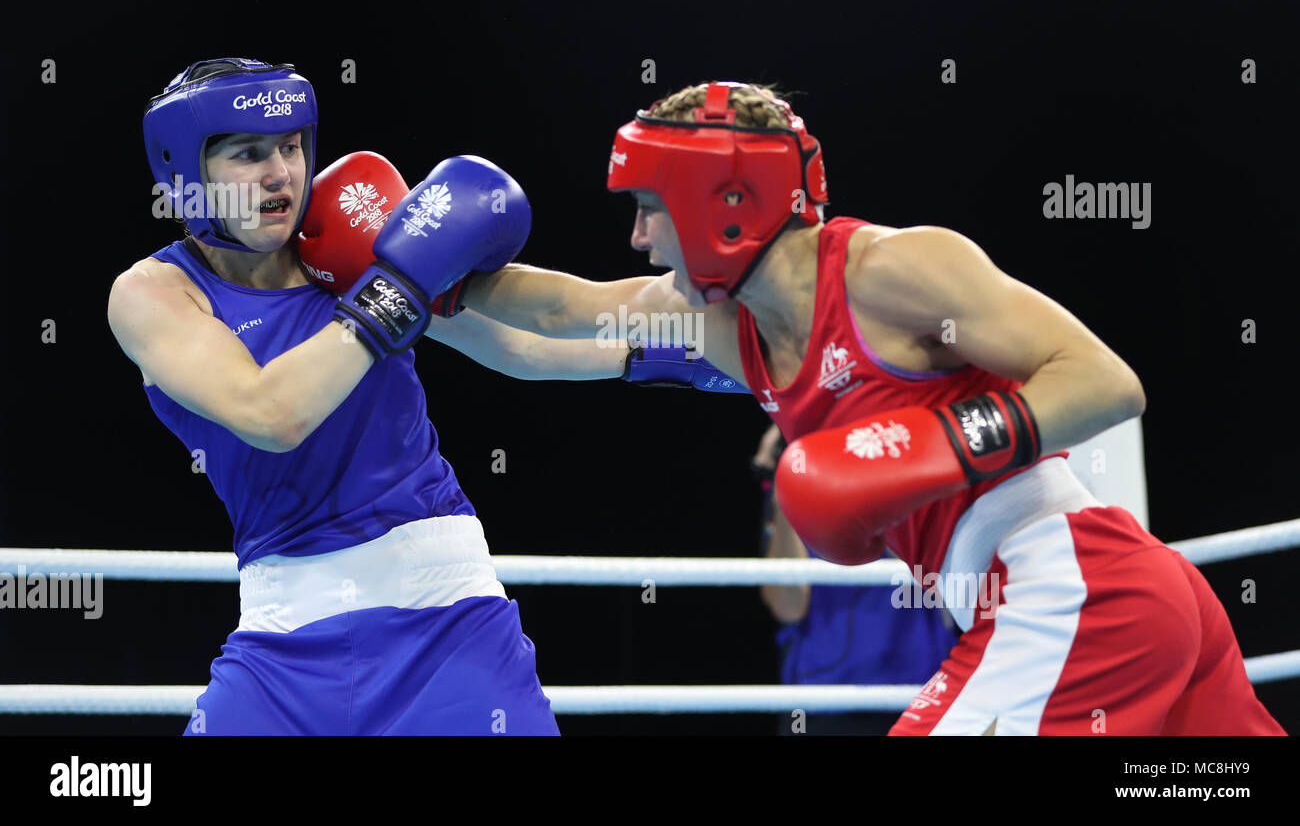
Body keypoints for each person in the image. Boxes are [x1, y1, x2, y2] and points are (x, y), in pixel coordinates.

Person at [453, 80, 1285, 735]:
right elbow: (554, 328)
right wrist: (411, 289)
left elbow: (1106, 381)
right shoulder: (728, 330)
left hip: (1073, 588)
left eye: (648, 209)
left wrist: (935, 441)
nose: (637, 239)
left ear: (721, 204)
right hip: (1078, 603)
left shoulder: (889, 271)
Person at [109, 58, 636, 735]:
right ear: (186, 173)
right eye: (248, 153)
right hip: (284, 634)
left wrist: (691, 350)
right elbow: (269, 412)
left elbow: (528, 339)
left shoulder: (350, 250)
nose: (281, 173)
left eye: (292, 146)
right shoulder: (156, 294)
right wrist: (394, 291)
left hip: (446, 612)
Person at [752, 423, 957, 736]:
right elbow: (787, 606)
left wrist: (880, 488)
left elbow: (949, 595)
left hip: (922, 693)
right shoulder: (795, 493)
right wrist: (786, 493)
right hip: (823, 700)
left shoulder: (916, 475)